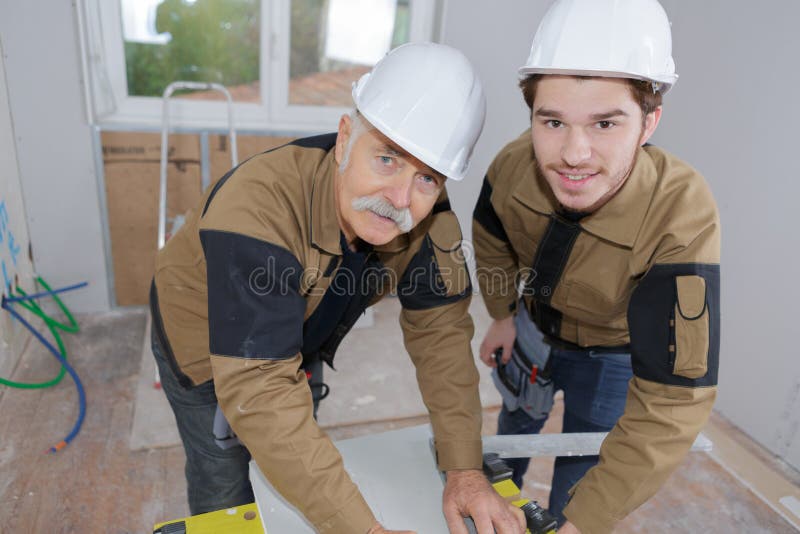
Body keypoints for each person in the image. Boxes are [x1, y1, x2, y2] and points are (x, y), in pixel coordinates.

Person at [150, 42, 526, 534]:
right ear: (346, 136)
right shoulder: (257, 210)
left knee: (296, 458)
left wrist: (464, 470)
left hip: (298, 332)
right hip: (204, 344)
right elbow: (259, 390)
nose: (400, 199)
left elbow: (443, 339)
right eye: (387, 159)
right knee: (229, 484)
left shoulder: (428, 215)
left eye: (428, 178)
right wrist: (362, 529)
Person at [472, 1, 720, 532]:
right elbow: (491, 242)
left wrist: (584, 523)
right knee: (511, 434)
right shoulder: (514, 166)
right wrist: (500, 314)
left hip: (611, 357)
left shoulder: (680, 211)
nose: (573, 154)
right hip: (532, 331)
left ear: (649, 121)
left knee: (581, 478)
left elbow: (674, 399)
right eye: (553, 121)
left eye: (605, 122)